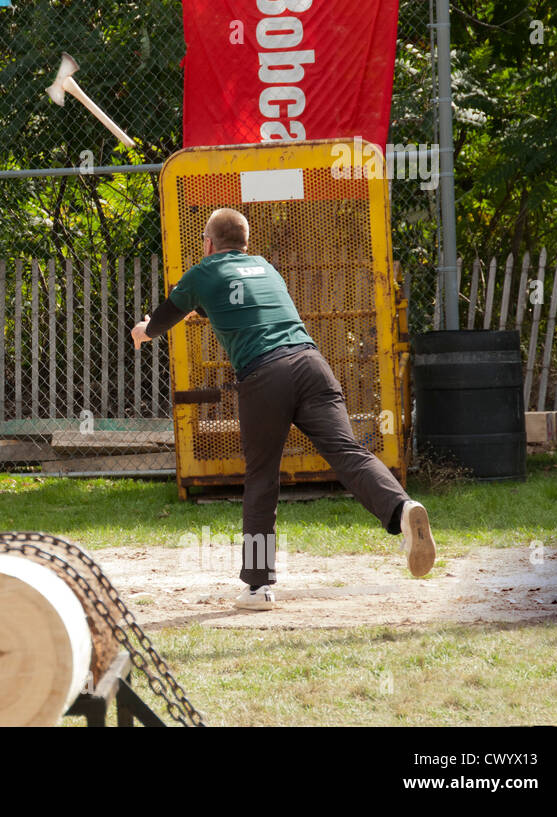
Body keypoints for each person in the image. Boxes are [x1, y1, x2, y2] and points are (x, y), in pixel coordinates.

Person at [131, 207, 435, 610]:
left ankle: (258, 588)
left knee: (261, 478)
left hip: (264, 375)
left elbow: (169, 314)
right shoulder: (265, 268)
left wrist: (145, 330)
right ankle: (402, 508)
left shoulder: (203, 273)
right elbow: (221, 305)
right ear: (245, 243)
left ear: (207, 244)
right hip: (313, 365)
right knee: (348, 453)